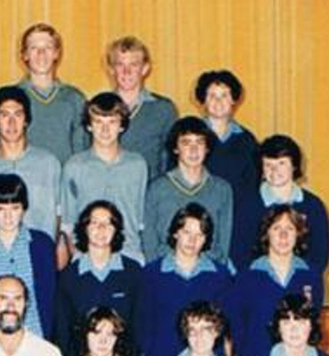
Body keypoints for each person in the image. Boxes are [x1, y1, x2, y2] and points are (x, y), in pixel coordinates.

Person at [137, 204, 235, 356]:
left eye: (200, 235)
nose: (192, 240)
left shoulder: (220, 276)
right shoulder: (152, 274)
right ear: (175, 233)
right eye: (187, 232)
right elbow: (142, 323)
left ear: (206, 239)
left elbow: (226, 325)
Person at [225, 205, 325, 356]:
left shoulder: (311, 276)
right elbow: (236, 326)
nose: (283, 235)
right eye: (276, 228)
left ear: (298, 234)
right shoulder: (246, 276)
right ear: (267, 233)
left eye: (290, 229)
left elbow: (313, 324)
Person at [0, 174, 57, 340]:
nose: (8, 217)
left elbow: (51, 298)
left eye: (15, 208)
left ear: (24, 209)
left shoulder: (42, 245)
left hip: (35, 336)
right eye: (0, 209)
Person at [61, 92, 148, 264]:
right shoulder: (74, 166)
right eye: (98, 122)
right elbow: (68, 223)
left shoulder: (137, 165)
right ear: (89, 126)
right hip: (87, 256)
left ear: (122, 125)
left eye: (112, 122)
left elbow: (140, 220)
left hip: (129, 253)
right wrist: (80, 256)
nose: (105, 130)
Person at [0, 86, 62, 243]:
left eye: (17, 114)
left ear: (26, 120)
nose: (11, 123)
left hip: (41, 257)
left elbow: (59, 215)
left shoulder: (49, 164)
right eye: (4, 115)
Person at [53, 200, 143, 356]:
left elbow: (139, 327)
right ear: (85, 229)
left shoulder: (133, 273)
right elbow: (62, 333)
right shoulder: (68, 277)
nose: (101, 229)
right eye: (94, 223)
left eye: (108, 224)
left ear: (116, 230)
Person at [144, 117, 234, 265]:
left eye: (199, 142)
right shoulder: (157, 188)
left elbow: (223, 243)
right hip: (165, 270)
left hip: (207, 271)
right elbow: (150, 242)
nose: (194, 149)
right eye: (186, 143)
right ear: (175, 148)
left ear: (207, 148)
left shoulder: (222, 189)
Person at [194, 70, 260, 270]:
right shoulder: (191, 136)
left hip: (236, 221)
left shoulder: (247, 140)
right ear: (203, 101)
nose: (218, 101)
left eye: (224, 95)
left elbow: (253, 184)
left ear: (234, 101)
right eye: (212, 95)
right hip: (199, 221)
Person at [250, 134, 329, 276]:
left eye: (281, 163)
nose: (274, 170)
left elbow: (320, 255)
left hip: (302, 282)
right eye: (268, 165)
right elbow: (239, 253)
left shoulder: (313, 205)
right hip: (258, 282)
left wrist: (298, 279)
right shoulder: (248, 205)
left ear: (294, 166)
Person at [104, 36, 178, 180]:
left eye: (134, 65)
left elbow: (172, 158)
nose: (126, 71)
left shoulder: (163, 109)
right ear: (112, 69)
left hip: (149, 193)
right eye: (120, 65)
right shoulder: (98, 108)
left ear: (145, 68)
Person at [14, 22, 88, 163]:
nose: (41, 54)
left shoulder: (74, 98)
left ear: (56, 53)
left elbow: (83, 150)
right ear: (24, 55)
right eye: (34, 48)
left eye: (48, 47)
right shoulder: (11, 97)